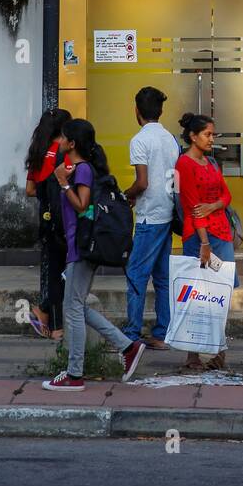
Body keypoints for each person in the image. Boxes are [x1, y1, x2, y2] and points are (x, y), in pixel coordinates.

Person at [42, 118, 146, 390]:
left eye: (63, 139)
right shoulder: (77, 167)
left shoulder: (83, 170)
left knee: (72, 308)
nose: (60, 142)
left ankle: (75, 374)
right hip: (78, 245)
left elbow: (82, 205)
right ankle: (127, 346)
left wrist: (64, 184)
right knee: (75, 305)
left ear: (73, 143)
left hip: (82, 246)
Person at [174, 112, 238, 371]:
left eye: (213, 134)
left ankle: (219, 350)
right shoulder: (184, 164)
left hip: (222, 234)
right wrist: (204, 244)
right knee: (197, 293)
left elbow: (227, 195)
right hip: (199, 237)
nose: (212, 139)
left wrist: (212, 206)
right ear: (193, 136)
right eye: (208, 134)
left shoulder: (211, 163)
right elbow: (191, 207)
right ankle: (192, 354)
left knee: (222, 292)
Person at [121, 86, 179, 350]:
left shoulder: (139, 140)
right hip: (167, 213)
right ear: (161, 111)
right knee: (163, 278)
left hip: (148, 218)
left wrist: (126, 194)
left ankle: (132, 333)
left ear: (136, 110)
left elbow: (142, 182)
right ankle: (162, 333)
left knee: (136, 274)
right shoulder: (170, 139)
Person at [24, 108, 71, 340]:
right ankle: (54, 324)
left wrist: (45, 195)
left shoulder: (38, 152)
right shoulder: (64, 152)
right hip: (65, 215)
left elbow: (30, 190)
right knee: (62, 272)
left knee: (53, 269)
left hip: (45, 216)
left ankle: (45, 312)